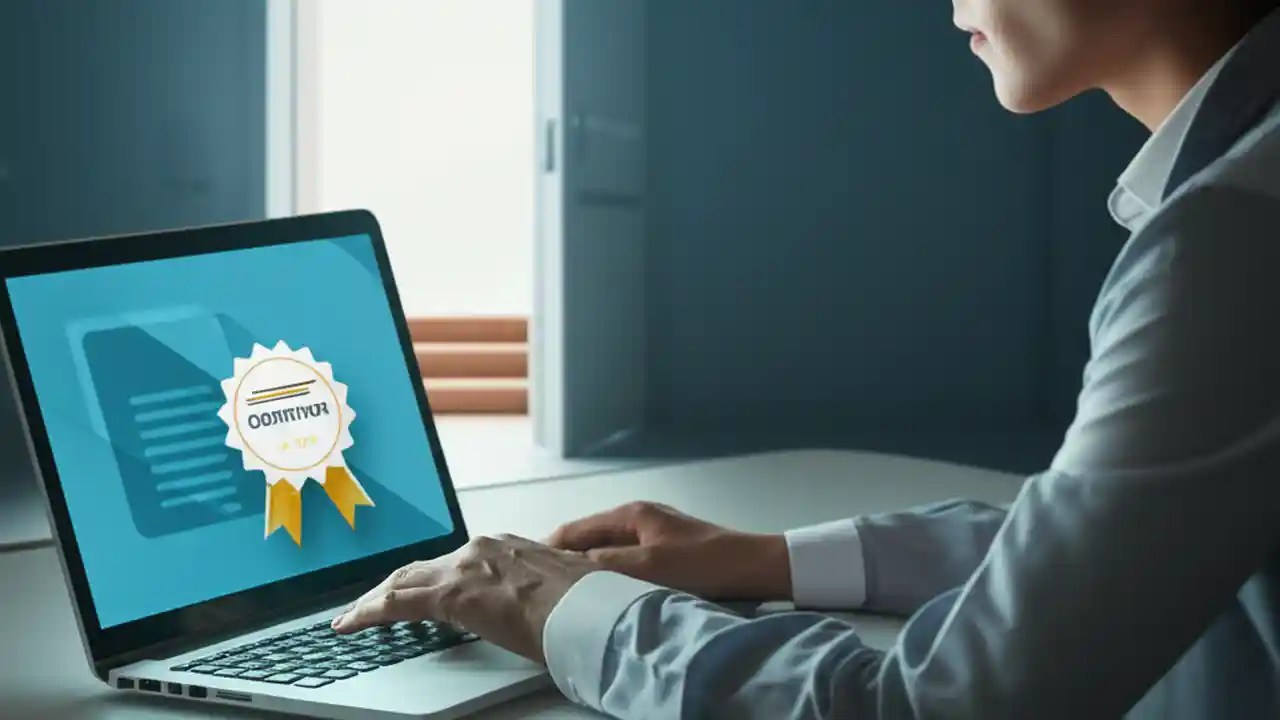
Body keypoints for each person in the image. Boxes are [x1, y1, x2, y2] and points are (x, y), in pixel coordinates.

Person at [330, 0, 1280, 717]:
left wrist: (571, 612)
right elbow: (1125, 547)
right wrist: (765, 559)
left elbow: (936, 706)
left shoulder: (1234, 235)